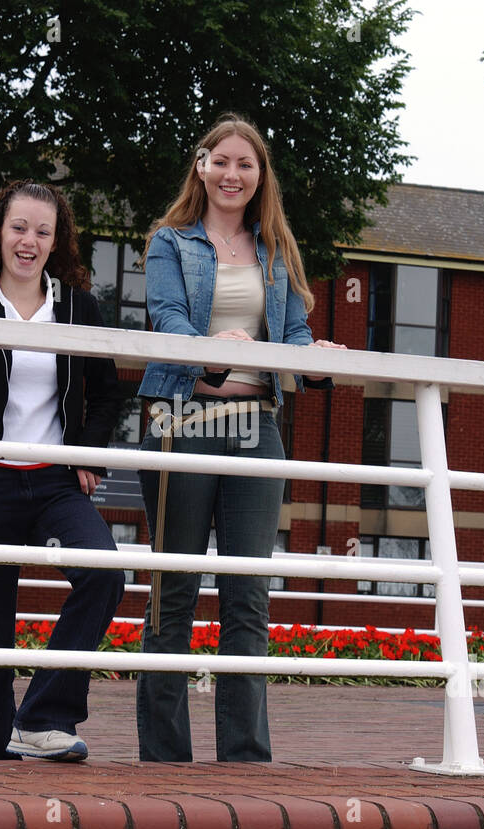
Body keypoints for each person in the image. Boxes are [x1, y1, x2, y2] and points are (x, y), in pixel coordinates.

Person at [135, 114, 346, 762]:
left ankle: (245, 757)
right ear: (201, 169)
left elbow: (292, 336)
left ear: (260, 176)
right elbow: (168, 316)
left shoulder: (276, 250)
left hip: (256, 426)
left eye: (245, 164)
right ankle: (165, 757)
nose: (232, 173)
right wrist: (209, 346)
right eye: (219, 161)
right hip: (185, 418)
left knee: (247, 596)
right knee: (174, 591)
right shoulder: (171, 242)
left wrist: (315, 357)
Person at [0, 180, 125, 762]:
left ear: (56, 241)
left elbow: (109, 392)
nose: (29, 241)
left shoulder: (79, 306)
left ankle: (41, 717)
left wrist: (87, 451)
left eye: (42, 231)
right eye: (19, 228)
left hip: (55, 483)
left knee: (104, 574)